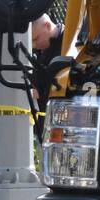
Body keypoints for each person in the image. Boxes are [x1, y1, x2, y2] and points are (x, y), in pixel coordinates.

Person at [30, 13, 65, 141]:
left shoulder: (71, 44)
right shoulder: (38, 50)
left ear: (47, 25)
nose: (33, 45)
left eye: (36, 39)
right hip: (42, 124)